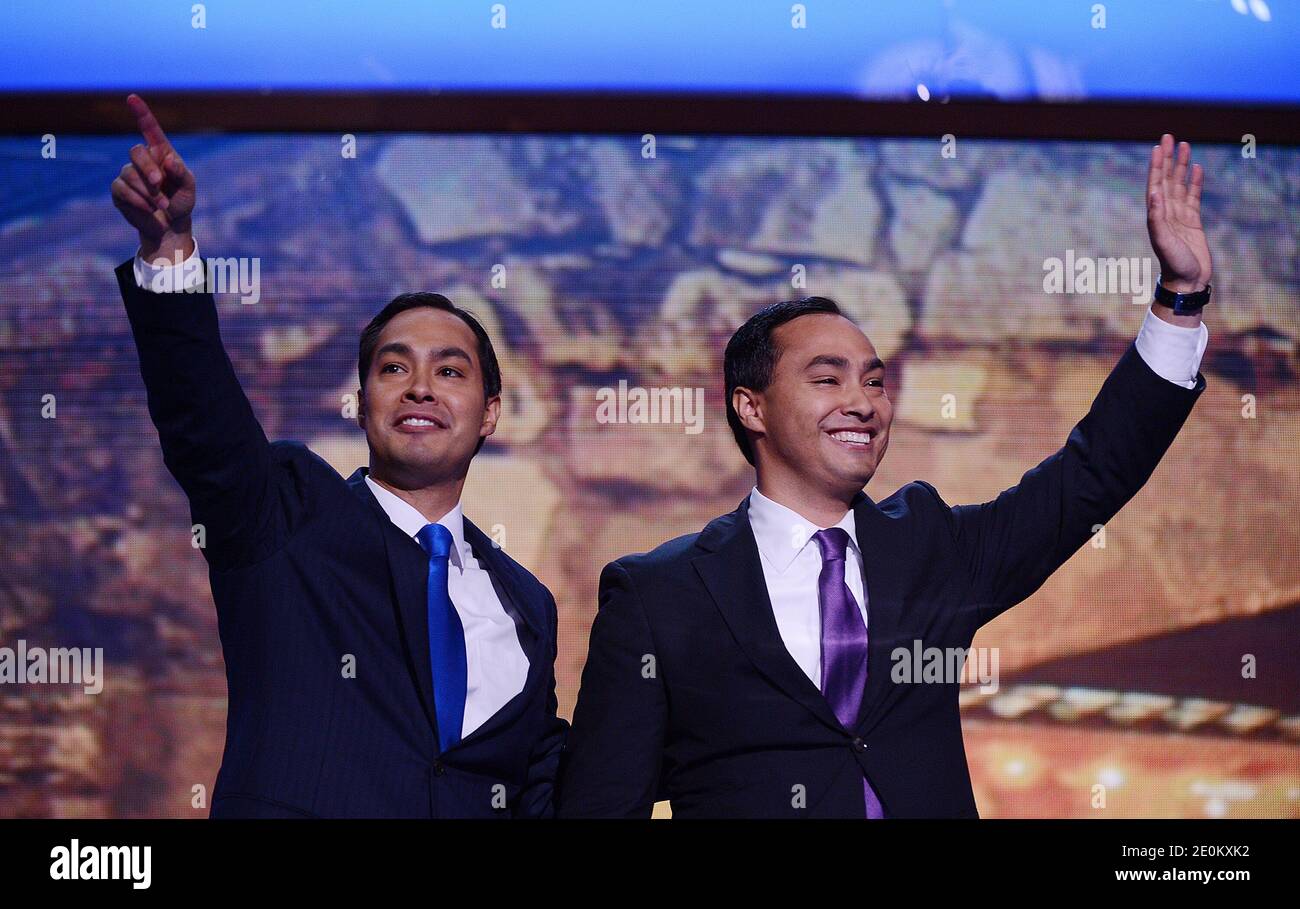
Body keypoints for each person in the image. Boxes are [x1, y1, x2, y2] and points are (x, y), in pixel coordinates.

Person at [558, 134, 1213, 818]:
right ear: (750, 406)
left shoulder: (933, 547)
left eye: (874, 380)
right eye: (827, 378)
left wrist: (1182, 296)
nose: (863, 401)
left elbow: (1092, 474)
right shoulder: (660, 594)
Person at [111, 94, 566, 818]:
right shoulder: (287, 510)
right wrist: (169, 256)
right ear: (361, 402)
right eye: (393, 367)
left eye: (450, 370)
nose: (419, 385)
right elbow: (204, 424)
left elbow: (544, 786)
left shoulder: (528, 603)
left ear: (490, 414)